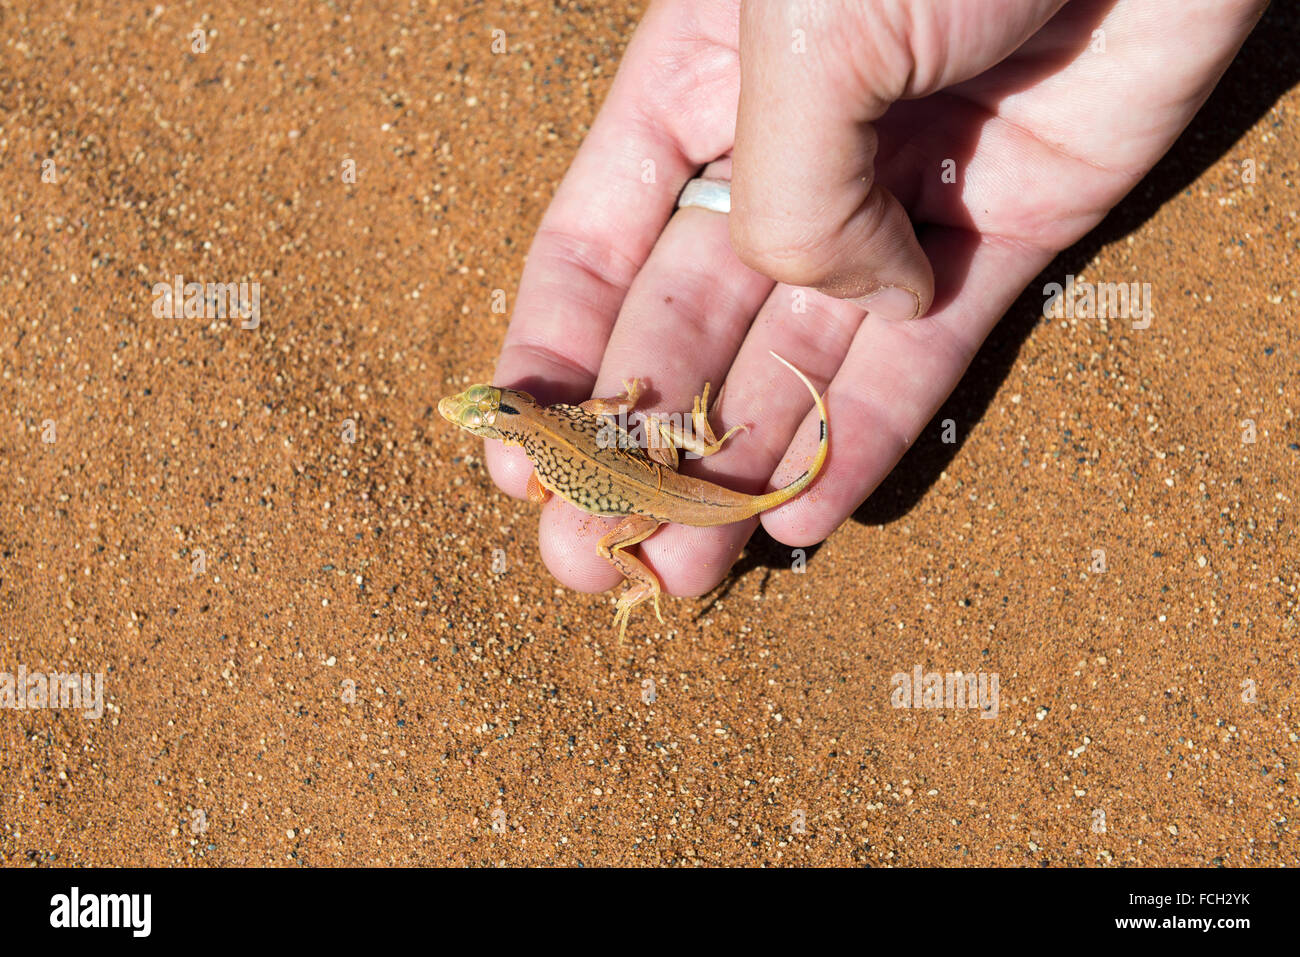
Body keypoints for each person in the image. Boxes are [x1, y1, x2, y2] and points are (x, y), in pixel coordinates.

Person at [482, 0, 1268, 600]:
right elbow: (613, 405)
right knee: (684, 472)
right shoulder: (560, 425)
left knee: (617, 547)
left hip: (640, 489)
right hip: (645, 473)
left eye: (489, 411)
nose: (491, 412)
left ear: (514, 417)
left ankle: (650, 582)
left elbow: (607, 415)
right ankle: (708, 448)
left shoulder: (554, 447)